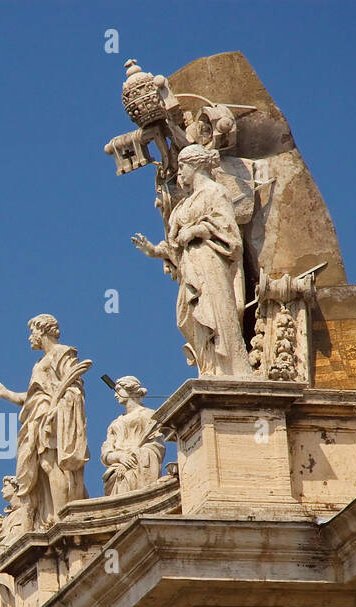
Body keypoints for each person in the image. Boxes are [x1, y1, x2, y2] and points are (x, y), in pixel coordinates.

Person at [133, 144, 252, 377]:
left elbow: (230, 233)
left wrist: (198, 229)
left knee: (216, 309)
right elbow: (175, 244)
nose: (181, 172)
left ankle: (227, 368)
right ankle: (209, 367)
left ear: (196, 165)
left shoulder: (215, 192)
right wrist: (155, 251)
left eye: (183, 166)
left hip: (210, 262)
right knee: (189, 315)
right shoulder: (184, 204)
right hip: (190, 265)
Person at [0, 314, 91, 530]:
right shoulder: (40, 363)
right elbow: (33, 396)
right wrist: (6, 394)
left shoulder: (62, 353)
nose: (30, 338)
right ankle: (53, 513)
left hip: (53, 417)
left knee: (53, 465)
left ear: (43, 331)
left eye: (32, 332)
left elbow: (74, 386)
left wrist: (59, 409)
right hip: (38, 417)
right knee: (43, 468)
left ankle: (63, 515)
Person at [101, 376, 165, 496]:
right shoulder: (115, 423)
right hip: (118, 470)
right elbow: (106, 454)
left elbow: (157, 445)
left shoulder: (150, 416)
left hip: (139, 465)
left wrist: (138, 454)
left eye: (118, 390)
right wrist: (120, 457)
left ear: (130, 389)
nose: (115, 395)